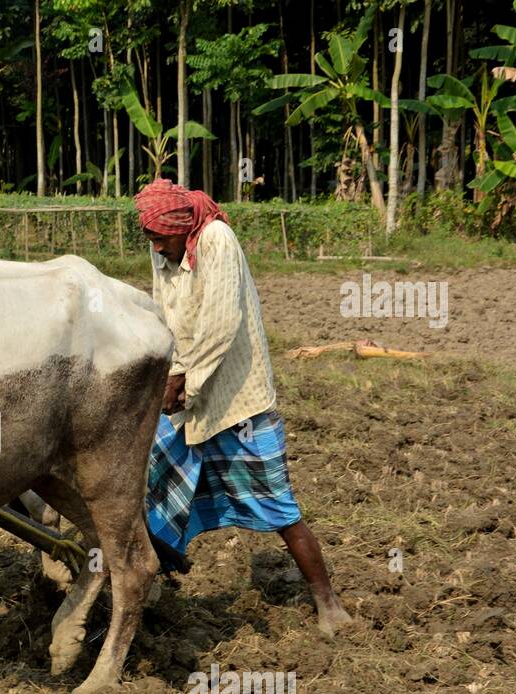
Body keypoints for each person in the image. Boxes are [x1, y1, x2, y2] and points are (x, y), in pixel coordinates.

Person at [136, 178, 353, 636]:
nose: (155, 247)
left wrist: (184, 378)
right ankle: (150, 585)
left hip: (238, 401)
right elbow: (164, 313)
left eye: (161, 237)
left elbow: (220, 323)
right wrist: (170, 372)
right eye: (149, 238)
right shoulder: (164, 249)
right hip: (187, 398)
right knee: (153, 487)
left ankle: (327, 602)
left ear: (181, 226)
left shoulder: (217, 239)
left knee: (279, 508)